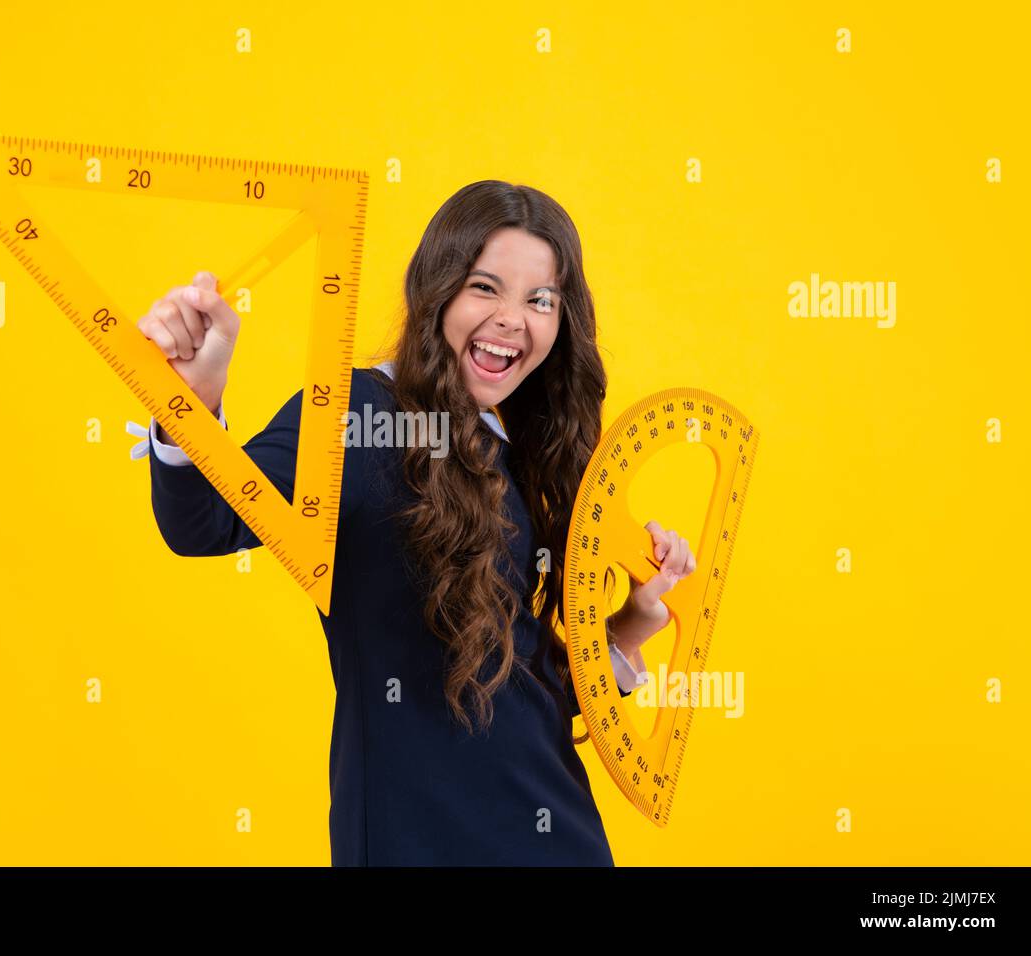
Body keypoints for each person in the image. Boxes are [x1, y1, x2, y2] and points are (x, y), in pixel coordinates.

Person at [136, 180, 696, 866]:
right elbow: (206, 524)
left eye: (540, 300)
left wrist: (632, 624)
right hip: (414, 839)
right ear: (436, 290)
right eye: (485, 287)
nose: (513, 320)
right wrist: (192, 400)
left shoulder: (521, 445)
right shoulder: (359, 416)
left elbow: (521, 693)